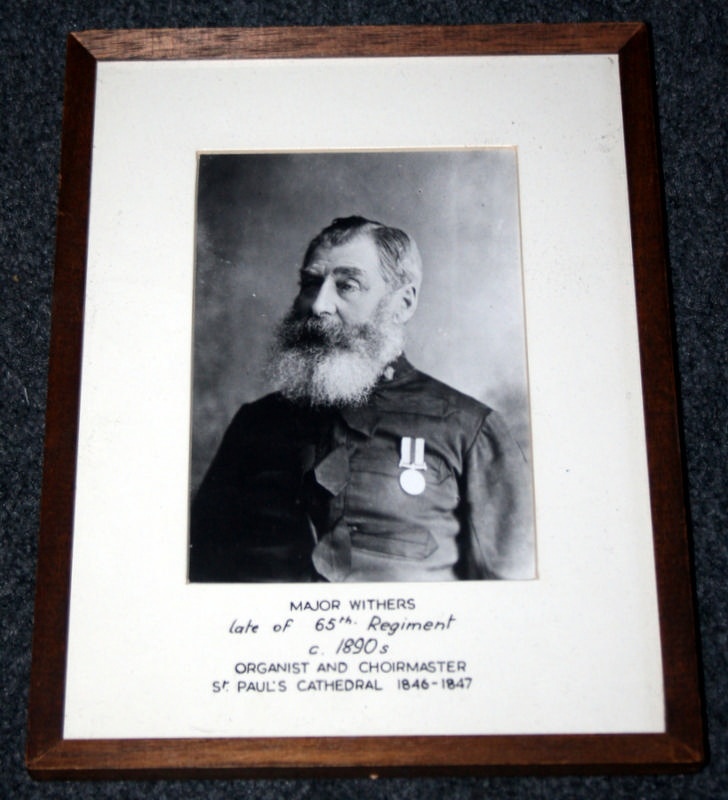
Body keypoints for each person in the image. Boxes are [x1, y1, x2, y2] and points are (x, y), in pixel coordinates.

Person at [189, 216, 535, 582]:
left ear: (403, 303)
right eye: (311, 284)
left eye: (347, 286)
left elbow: (511, 594)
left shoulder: (469, 430)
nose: (319, 306)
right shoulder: (255, 424)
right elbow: (200, 572)